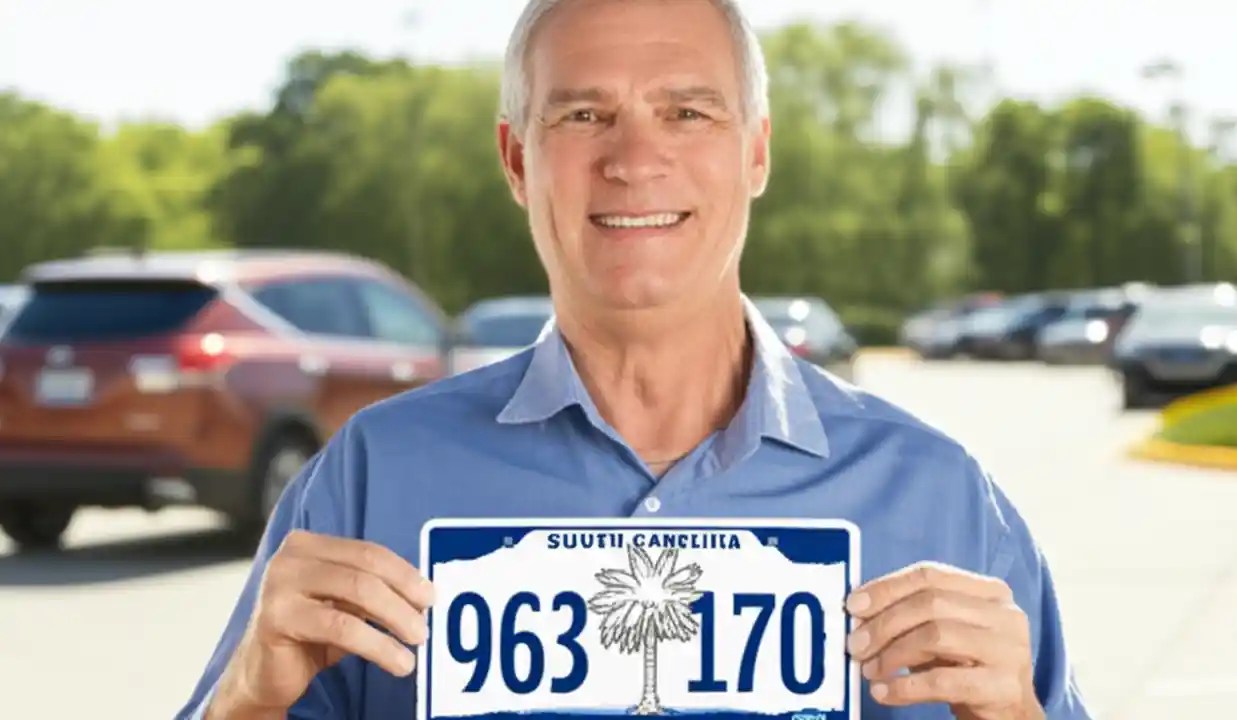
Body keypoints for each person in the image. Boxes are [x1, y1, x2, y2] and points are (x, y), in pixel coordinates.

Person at [177, 0, 1092, 718]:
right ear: (516, 160)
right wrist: (245, 701)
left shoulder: (938, 495)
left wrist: (1014, 714)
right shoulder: (370, 482)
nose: (635, 157)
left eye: (687, 111)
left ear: (756, 153)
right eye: (584, 114)